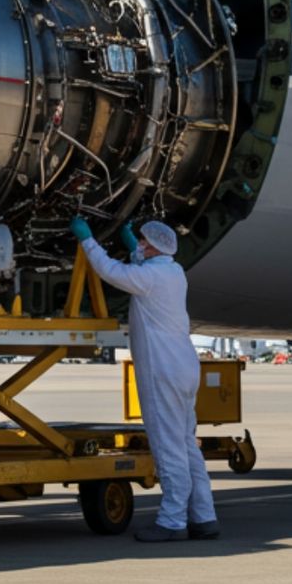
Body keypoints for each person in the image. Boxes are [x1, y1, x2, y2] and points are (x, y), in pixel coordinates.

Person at [70, 216, 219, 542]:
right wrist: (130, 245)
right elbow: (141, 265)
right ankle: (204, 516)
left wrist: (87, 240)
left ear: (152, 246)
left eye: (142, 241)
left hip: (161, 370)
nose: (139, 244)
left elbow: (111, 271)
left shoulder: (149, 277)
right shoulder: (173, 272)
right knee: (186, 446)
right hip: (185, 367)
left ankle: (172, 521)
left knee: (168, 450)